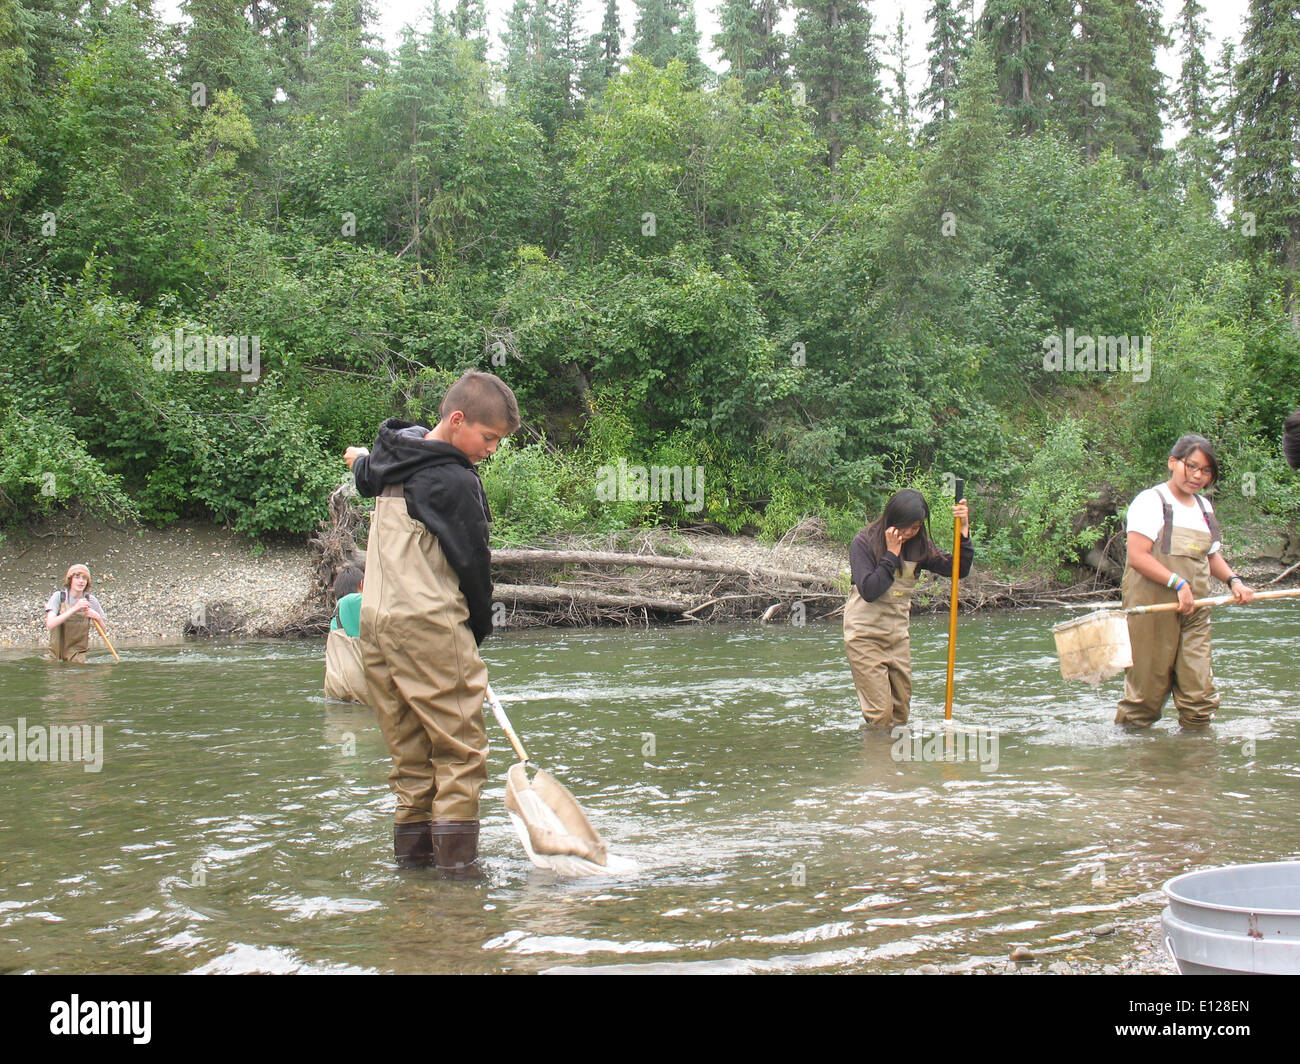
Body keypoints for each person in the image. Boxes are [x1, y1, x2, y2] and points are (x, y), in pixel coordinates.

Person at [344, 370, 519, 876]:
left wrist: (357, 457)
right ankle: (458, 882)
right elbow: (473, 565)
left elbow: (362, 472)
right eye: (488, 438)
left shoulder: (389, 457)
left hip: (374, 627)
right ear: (457, 420)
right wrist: (476, 635)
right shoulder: (453, 479)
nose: (491, 450)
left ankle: (413, 878)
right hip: (429, 625)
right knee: (461, 754)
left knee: (411, 759)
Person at [1116, 434, 1254, 728]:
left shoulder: (1205, 508)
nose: (1196, 476)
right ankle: (1133, 764)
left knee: (1199, 698)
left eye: (1205, 471)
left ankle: (1195, 763)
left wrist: (1234, 581)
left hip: (1196, 611)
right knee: (1145, 701)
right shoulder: (1151, 501)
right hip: (1154, 609)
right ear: (1173, 463)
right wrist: (1178, 583)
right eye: (1191, 466)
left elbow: (1212, 557)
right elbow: (1137, 557)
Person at [844, 489, 972, 726]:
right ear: (892, 521)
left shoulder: (919, 544)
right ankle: (877, 761)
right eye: (905, 528)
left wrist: (963, 533)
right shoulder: (863, 542)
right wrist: (892, 554)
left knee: (900, 713)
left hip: (897, 638)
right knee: (881, 715)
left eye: (915, 528)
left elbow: (958, 570)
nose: (909, 534)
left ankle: (896, 761)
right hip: (864, 637)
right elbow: (870, 591)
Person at [45, 564, 108, 664]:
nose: (81, 581)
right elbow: (50, 624)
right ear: (70, 580)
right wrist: (75, 609)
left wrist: (98, 618)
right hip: (56, 656)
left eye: (84, 578)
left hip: (78, 656)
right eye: (77, 577)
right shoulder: (59, 597)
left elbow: (104, 633)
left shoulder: (90, 600)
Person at [324, 566, 367, 703]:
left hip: (336, 685)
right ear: (362, 584)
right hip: (357, 684)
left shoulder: (337, 610)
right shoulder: (352, 601)